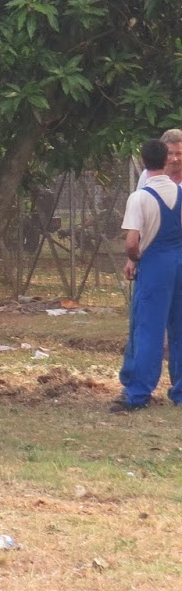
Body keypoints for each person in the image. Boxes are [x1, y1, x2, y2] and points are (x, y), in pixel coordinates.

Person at [114, 138, 182, 411]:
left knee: (149, 330)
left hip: (154, 264)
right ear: (167, 160)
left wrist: (135, 258)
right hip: (179, 261)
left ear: (143, 162)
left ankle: (138, 394)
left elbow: (132, 242)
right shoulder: (180, 192)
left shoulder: (140, 196)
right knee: (179, 328)